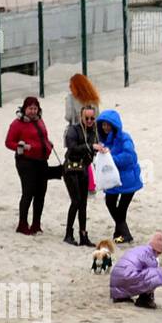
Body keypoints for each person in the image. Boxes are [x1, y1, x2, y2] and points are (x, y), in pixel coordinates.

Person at [5, 96, 55, 235]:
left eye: (35, 108)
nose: (33, 111)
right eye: (30, 108)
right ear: (24, 109)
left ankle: (36, 224)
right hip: (25, 161)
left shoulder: (40, 120)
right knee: (28, 193)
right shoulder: (17, 124)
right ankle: (22, 224)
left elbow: (43, 136)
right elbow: (9, 142)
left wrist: (48, 145)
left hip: (41, 160)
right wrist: (21, 146)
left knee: (41, 193)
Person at [97, 110, 143, 245]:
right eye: (103, 125)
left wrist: (110, 158)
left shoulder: (124, 138)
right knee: (110, 203)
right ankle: (121, 234)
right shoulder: (104, 141)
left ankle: (123, 234)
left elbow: (129, 157)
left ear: (114, 125)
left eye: (108, 125)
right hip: (113, 180)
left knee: (122, 209)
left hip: (128, 179)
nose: (105, 128)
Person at [62, 104, 102, 246]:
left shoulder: (94, 131)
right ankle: (68, 233)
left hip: (84, 168)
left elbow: (94, 149)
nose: (90, 121)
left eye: (92, 118)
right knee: (76, 201)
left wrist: (101, 150)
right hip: (71, 169)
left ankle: (83, 234)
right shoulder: (73, 130)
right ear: (81, 117)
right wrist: (90, 147)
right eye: (87, 118)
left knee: (84, 203)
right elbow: (72, 149)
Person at [109, 231, 162, 309]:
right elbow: (152, 274)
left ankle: (121, 296)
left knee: (135, 271)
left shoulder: (139, 249)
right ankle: (145, 299)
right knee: (158, 274)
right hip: (127, 277)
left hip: (115, 279)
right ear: (157, 250)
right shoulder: (150, 255)